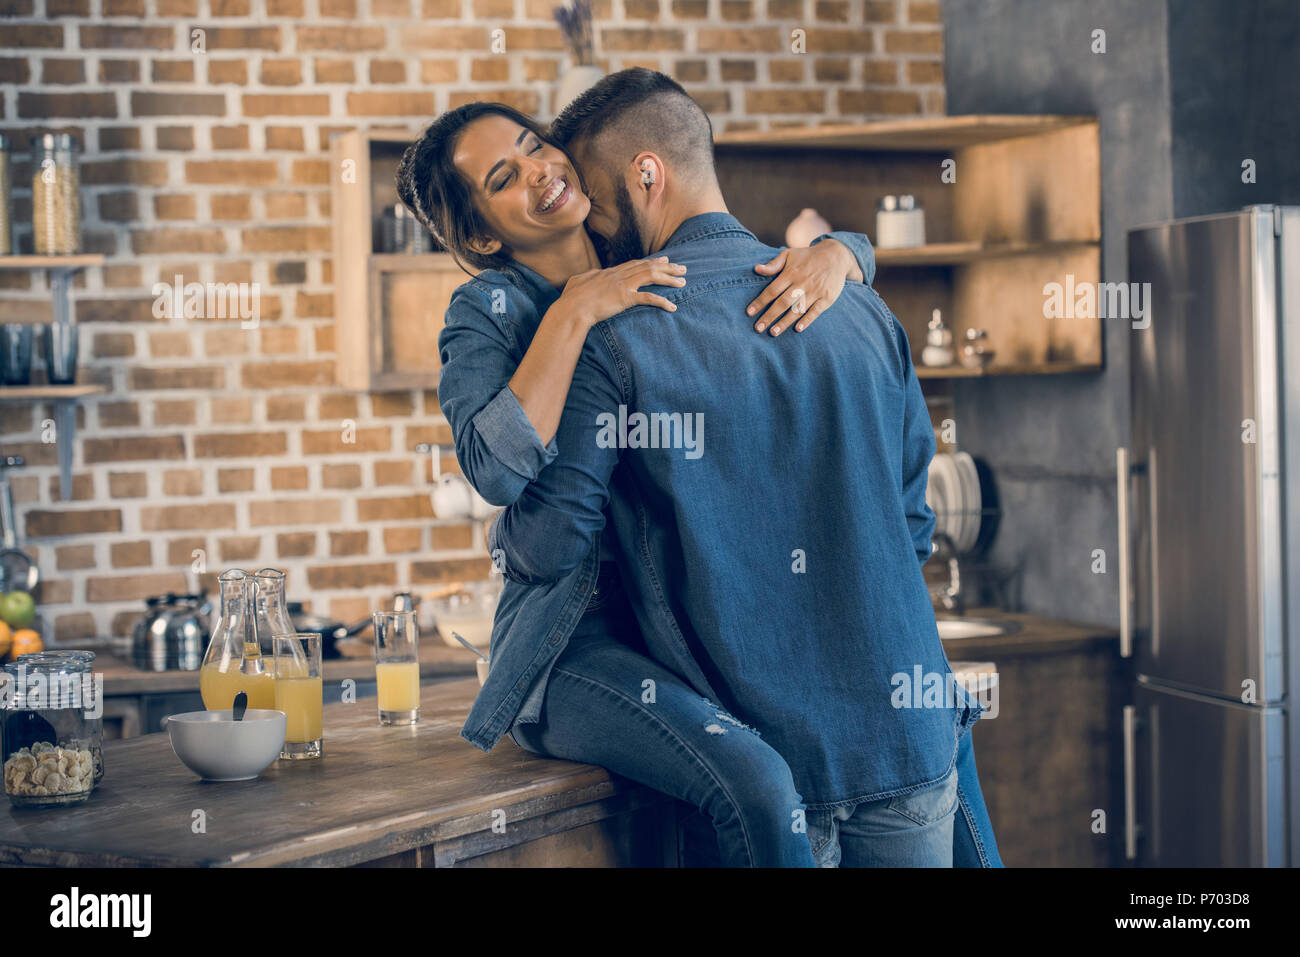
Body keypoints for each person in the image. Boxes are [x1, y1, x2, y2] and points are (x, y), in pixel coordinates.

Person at [485, 68, 1002, 867]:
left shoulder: (617, 337)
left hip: (772, 762)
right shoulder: (858, 305)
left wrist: (505, 509)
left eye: (596, 197)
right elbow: (912, 527)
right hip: (904, 747)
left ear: (645, 174)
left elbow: (552, 546)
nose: (591, 226)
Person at [398, 98, 877, 865]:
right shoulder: (486, 310)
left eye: (534, 145)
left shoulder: (639, 246)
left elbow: (746, 254)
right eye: (504, 177)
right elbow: (492, 465)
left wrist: (843, 253)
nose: (540, 171)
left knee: (925, 733)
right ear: (484, 233)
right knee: (756, 781)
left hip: (690, 628)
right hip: (575, 646)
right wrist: (573, 313)